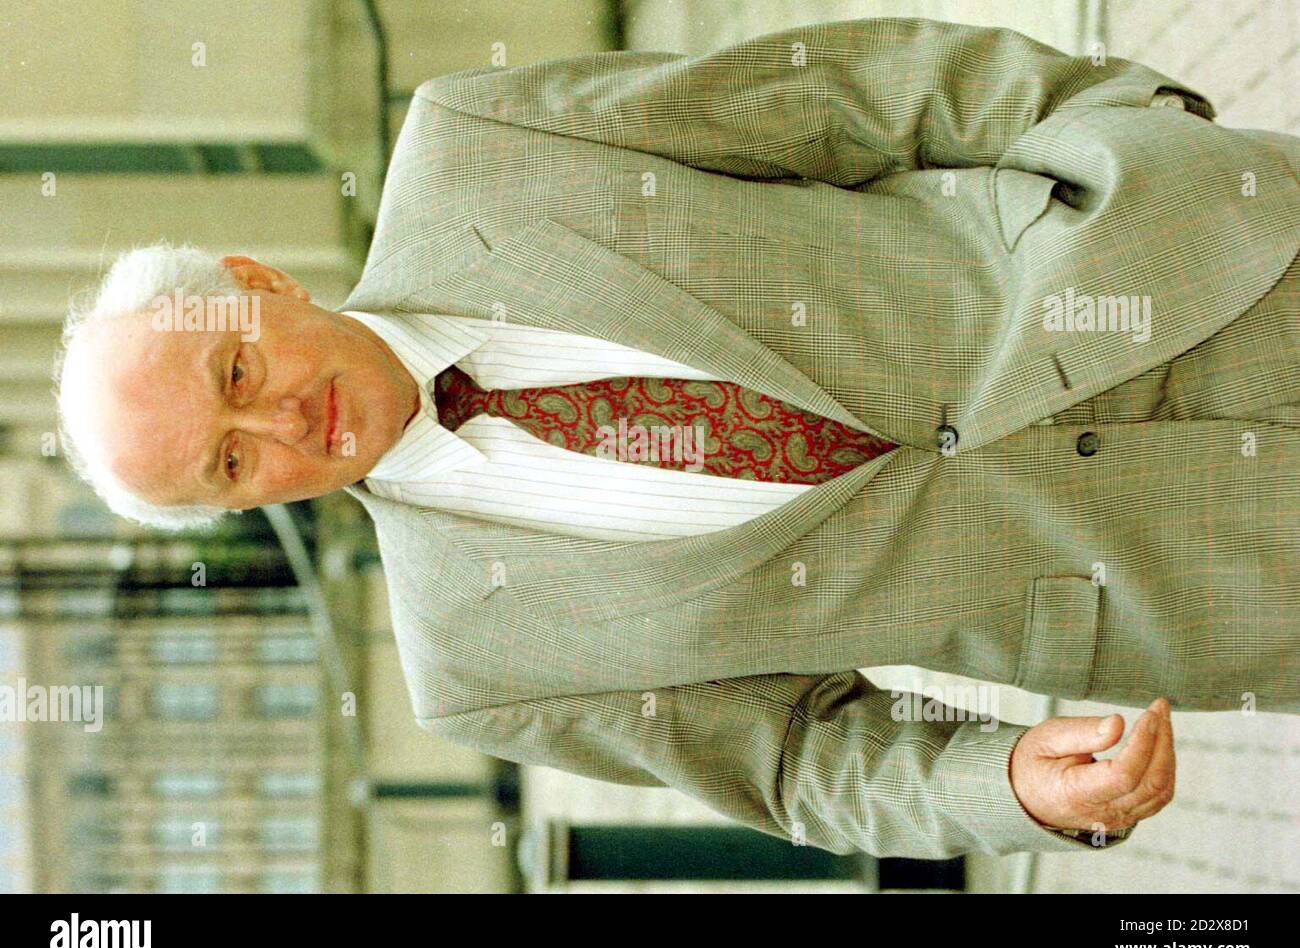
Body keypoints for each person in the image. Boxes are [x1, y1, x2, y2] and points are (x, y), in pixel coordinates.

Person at [54, 18, 1298, 857]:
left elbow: (844, 96)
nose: (279, 421)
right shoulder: (476, 668)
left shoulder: (478, 146)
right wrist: (1005, 788)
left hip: (1205, 258)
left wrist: (1126, 115)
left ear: (257, 278)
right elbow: (798, 759)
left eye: (236, 368)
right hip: (1207, 584)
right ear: (234, 508)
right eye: (232, 458)